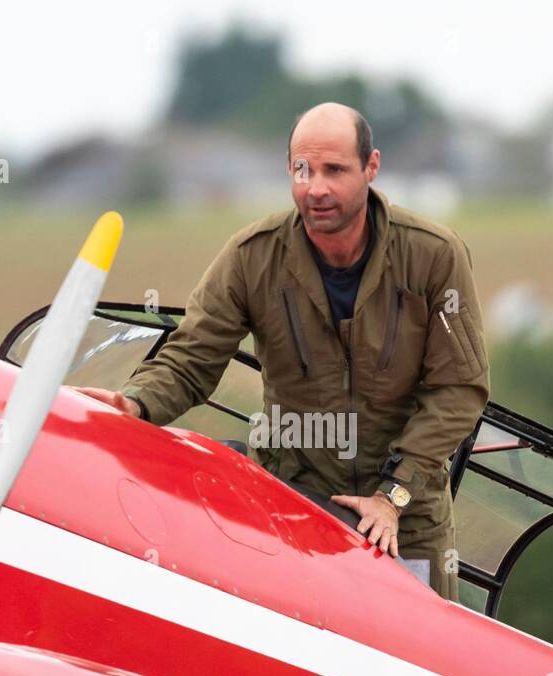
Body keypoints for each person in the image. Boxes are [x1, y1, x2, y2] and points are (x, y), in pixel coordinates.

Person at [77, 102, 489, 601]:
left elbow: (459, 389)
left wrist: (392, 495)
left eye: (334, 170)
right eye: (302, 169)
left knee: (417, 670)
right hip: (295, 509)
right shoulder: (253, 256)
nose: (315, 187)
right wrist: (135, 403)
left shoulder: (434, 256)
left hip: (406, 518)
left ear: (371, 167)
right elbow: (191, 358)